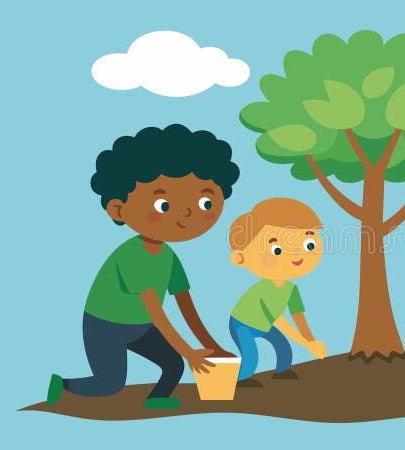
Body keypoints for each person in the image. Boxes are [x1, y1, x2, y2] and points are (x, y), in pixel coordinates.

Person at [46, 124, 240, 410]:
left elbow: (186, 306)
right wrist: (189, 352)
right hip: (106, 325)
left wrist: (213, 348)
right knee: (109, 385)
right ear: (118, 209)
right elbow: (156, 310)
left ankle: (157, 400)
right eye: (163, 204)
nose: (187, 213)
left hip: (140, 327)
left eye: (204, 201)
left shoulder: (169, 256)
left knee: (173, 366)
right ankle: (63, 385)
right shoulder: (133, 255)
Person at [227, 198, 327, 387]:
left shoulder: (291, 289)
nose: (297, 254)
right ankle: (238, 380)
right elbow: (281, 321)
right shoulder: (264, 290)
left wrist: (312, 340)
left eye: (309, 245)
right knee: (251, 358)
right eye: (277, 249)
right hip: (242, 323)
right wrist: (307, 345)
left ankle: (282, 371)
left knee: (283, 348)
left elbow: (299, 317)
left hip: (263, 324)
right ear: (240, 257)